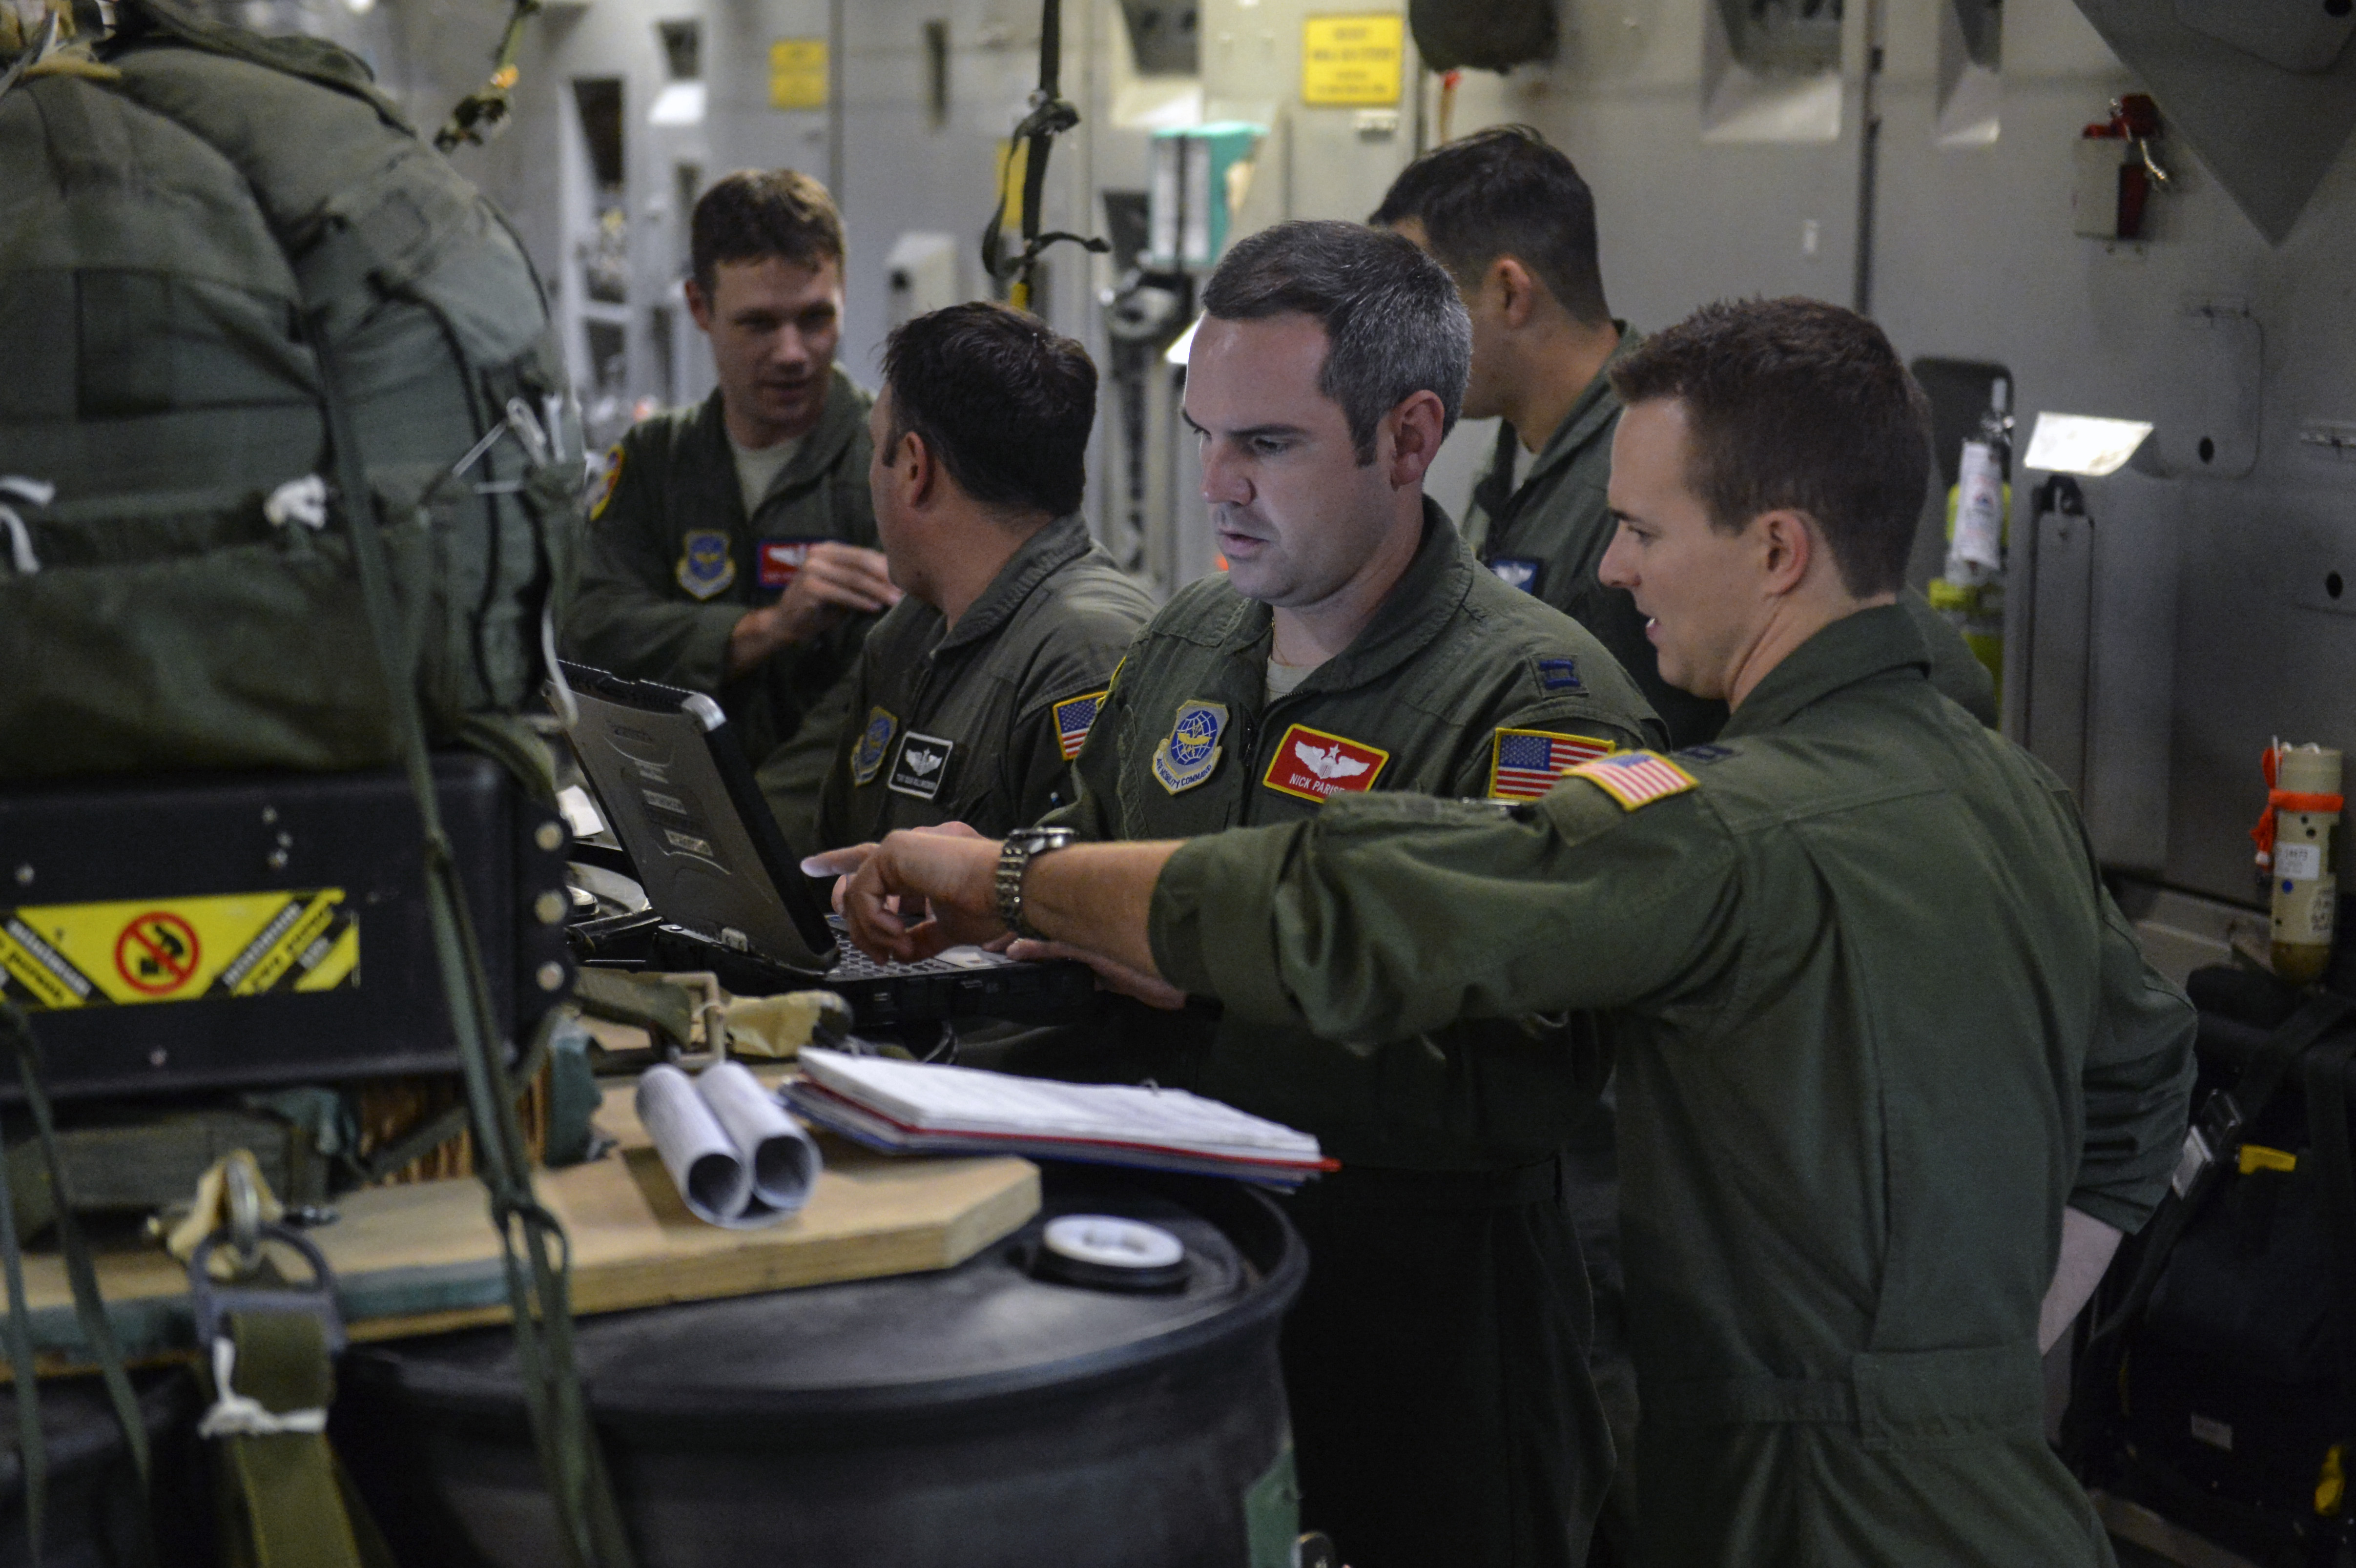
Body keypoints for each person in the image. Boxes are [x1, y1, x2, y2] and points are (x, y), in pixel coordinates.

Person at [820, 297, 2199, 1567]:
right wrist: (1957, 1379)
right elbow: (2145, 1074)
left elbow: (1360, 908)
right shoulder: (2007, 787)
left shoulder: (1721, 827)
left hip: (1789, 1518)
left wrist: (1003, 879)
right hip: (2002, 1508)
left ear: (1776, 550)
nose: (1615, 563)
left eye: (1648, 531)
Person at [844, 220, 1665, 1568]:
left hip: (1420, 1361)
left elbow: (1529, 1075)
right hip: (1176, 1315)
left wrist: (1196, 964)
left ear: (1407, 440)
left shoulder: (1537, 705)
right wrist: (986, 911)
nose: (1218, 483)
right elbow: (1088, 834)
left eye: (1268, 444)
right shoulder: (1193, 638)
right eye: (1201, 433)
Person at [1372, 126, 1997, 748]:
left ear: (1510, 292)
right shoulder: (1522, 450)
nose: (1398, 340)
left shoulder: (1675, 455)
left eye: (1423, 304)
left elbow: (1934, 674)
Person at [564, 169, 895, 846]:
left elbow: (880, 699)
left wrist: (740, 841)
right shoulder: (656, 463)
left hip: (817, 860)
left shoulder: (888, 468)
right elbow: (588, 630)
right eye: (758, 324)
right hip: (659, 836)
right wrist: (762, 629)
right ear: (698, 307)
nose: (792, 353)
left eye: (815, 318)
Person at [812, 302, 1154, 847]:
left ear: (914, 468)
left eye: (878, 451)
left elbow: (1092, 912)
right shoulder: (911, 632)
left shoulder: (1085, 656)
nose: (871, 475)